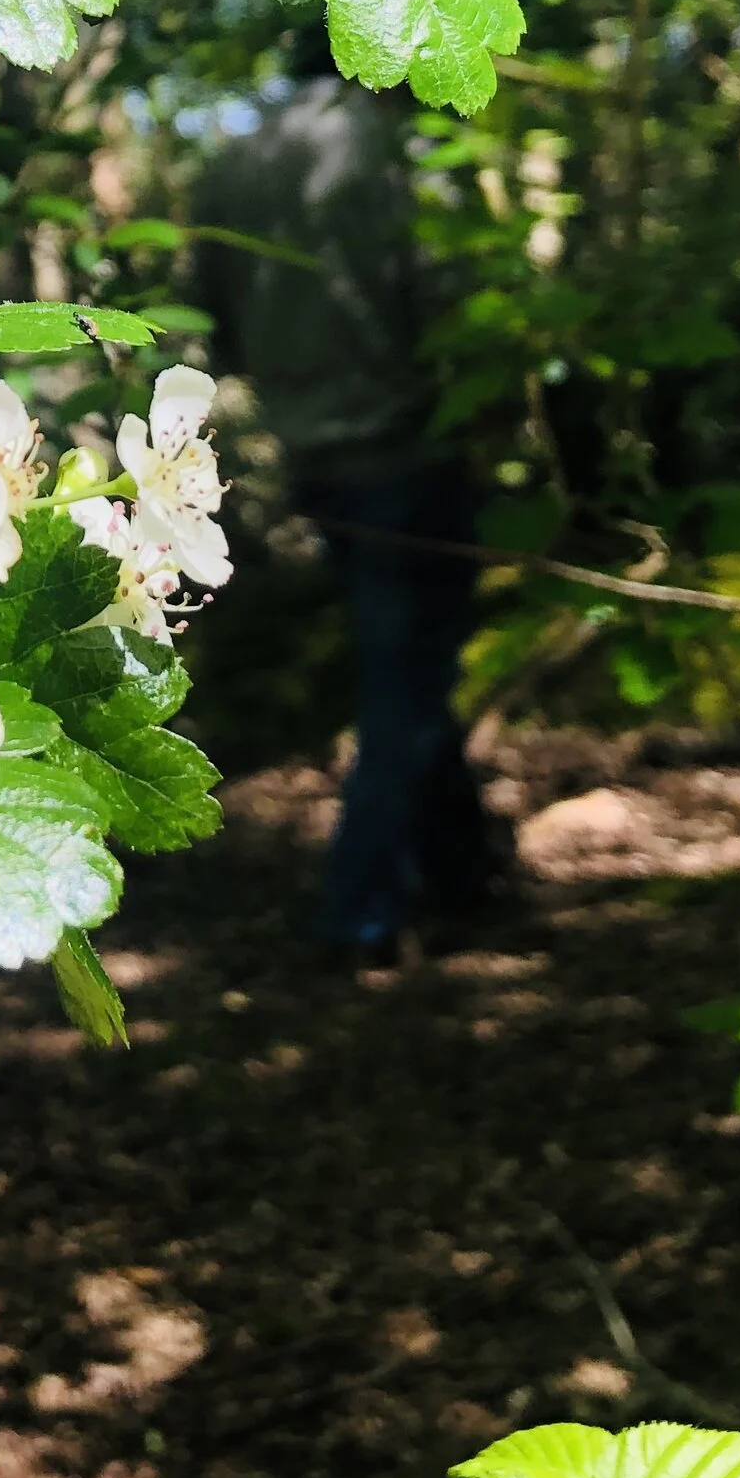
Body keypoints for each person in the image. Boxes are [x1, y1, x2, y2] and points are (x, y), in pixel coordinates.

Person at [193, 65, 497, 957]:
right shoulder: (394, 148)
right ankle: (360, 906)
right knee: (405, 681)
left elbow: (218, 313)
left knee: (408, 669)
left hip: (316, 456)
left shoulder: (241, 161)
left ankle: (464, 872)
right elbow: (447, 292)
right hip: (409, 446)